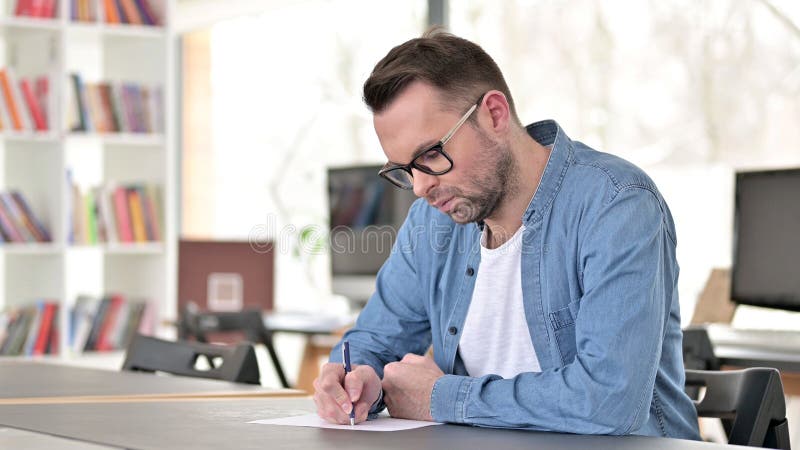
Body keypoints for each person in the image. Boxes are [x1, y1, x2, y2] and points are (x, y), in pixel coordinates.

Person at [312, 28, 701, 439]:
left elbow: (609, 400)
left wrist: (443, 397)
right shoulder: (433, 223)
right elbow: (375, 338)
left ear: (494, 115)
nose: (422, 187)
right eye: (405, 170)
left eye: (430, 155)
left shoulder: (616, 204)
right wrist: (354, 379)